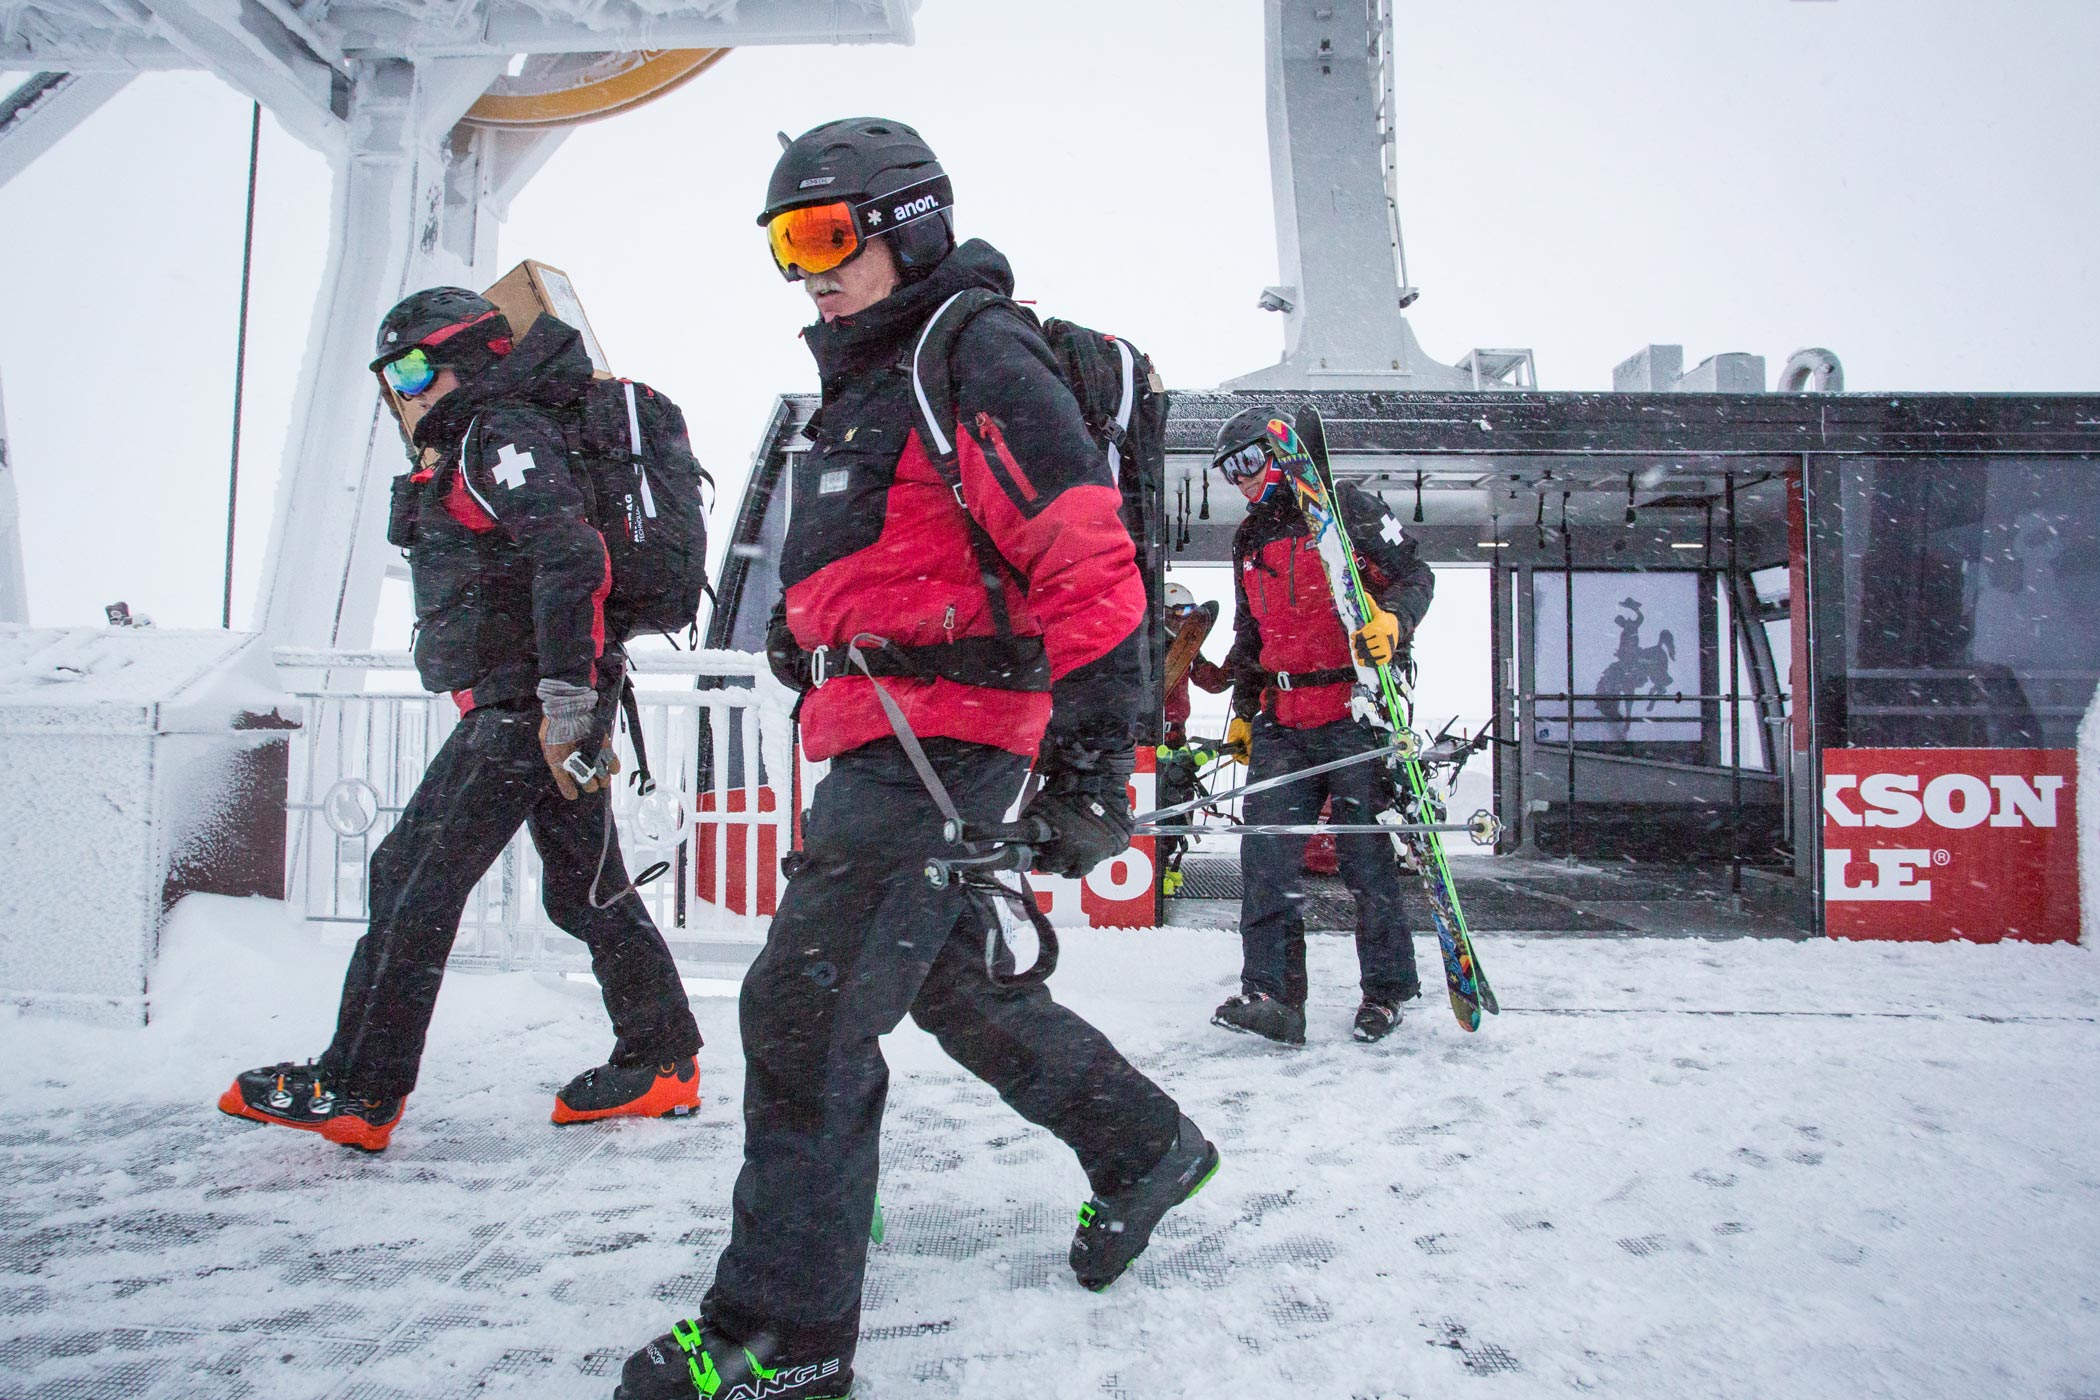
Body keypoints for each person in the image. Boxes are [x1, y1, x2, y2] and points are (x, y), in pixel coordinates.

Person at [613, 119, 1217, 1400]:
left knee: (803, 1010)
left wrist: (1096, 764)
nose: (806, 271)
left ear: (913, 226)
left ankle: (784, 1333)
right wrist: (806, 630)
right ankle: (1144, 1143)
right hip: (889, 734)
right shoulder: (874, 379)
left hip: (942, 747)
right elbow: (900, 547)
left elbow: (1084, 555)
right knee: (953, 988)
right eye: (785, 244)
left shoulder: (971, 350)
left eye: (828, 237)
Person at [216, 289, 702, 1153]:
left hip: (528, 714)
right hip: (552, 707)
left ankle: (358, 1088)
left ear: (470, 355)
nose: (403, 389)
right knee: (584, 889)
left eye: (411, 366)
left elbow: (570, 552)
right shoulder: (490, 434)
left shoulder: (497, 433)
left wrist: (562, 706)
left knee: (411, 878)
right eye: (389, 375)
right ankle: (661, 1056)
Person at [1208, 406, 1435, 1046]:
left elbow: (1417, 575)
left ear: (1284, 452)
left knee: (1365, 860)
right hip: (1283, 719)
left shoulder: (1350, 510)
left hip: (1352, 714)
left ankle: (1386, 992)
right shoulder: (1249, 538)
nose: (1241, 480)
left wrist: (1395, 620)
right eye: (1228, 471)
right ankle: (1273, 995)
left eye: (1249, 462)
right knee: (1266, 856)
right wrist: (1246, 715)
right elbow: (1250, 634)